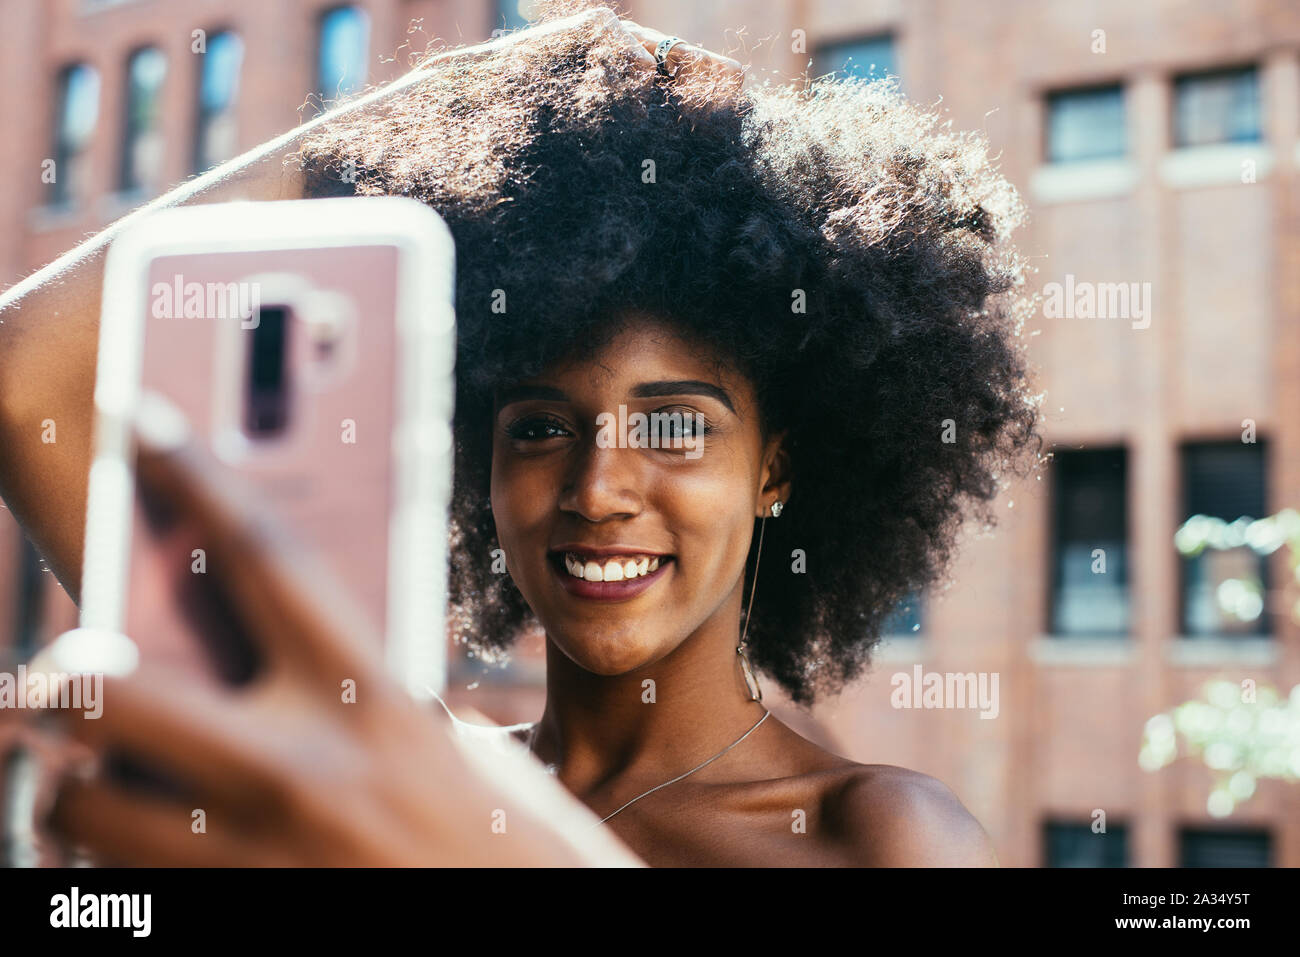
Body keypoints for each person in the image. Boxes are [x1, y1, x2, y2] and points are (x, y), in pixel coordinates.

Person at [0, 5, 1038, 866]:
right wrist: (464, 91)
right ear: (477, 467)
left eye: (675, 425)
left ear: (774, 469)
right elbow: (23, 376)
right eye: (540, 428)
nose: (598, 487)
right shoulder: (374, 774)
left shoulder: (877, 833)